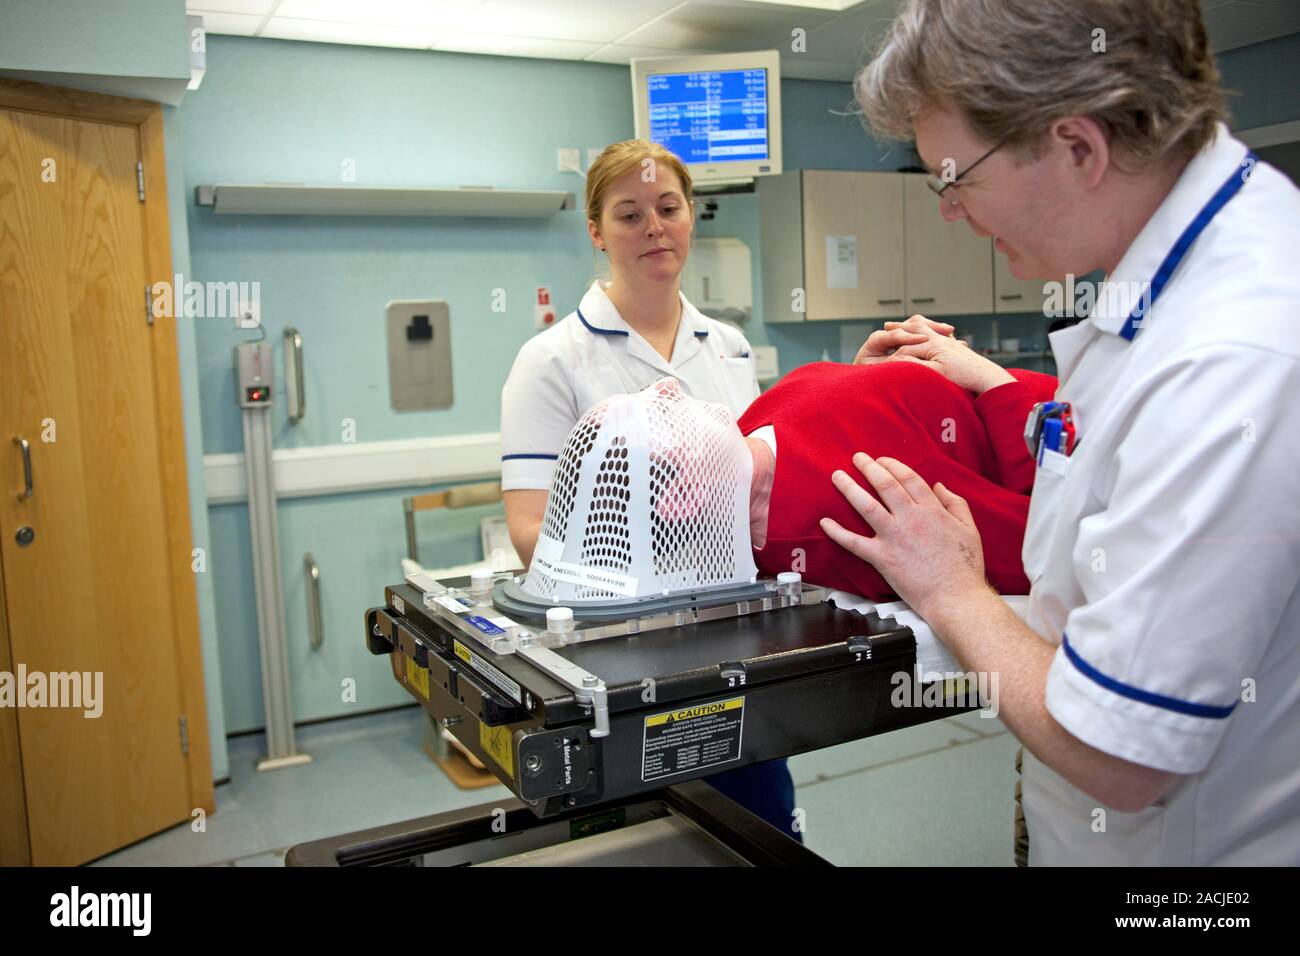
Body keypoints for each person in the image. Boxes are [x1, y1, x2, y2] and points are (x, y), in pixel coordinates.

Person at [825, 0, 1300, 864]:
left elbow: (1119, 754)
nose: (950, 210)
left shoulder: (1232, 355)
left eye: (954, 176)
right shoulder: (1159, 291)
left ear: (1077, 148)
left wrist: (951, 591)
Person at [498, 140, 796, 839]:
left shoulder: (728, 346)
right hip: (618, 662)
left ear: (692, 217)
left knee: (758, 829)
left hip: (730, 646)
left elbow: (747, 495)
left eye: (668, 208)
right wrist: (653, 569)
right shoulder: (551, 360)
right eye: (629, 215)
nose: (654, 227)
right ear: (597, 232)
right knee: (646, 840)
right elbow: (527, 527)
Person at [739, 359, 1057, 599]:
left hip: (1059, 415)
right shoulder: (863, 492)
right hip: (1060, 438)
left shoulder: (753, 423)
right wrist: (997, 385)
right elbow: (1049, 550)